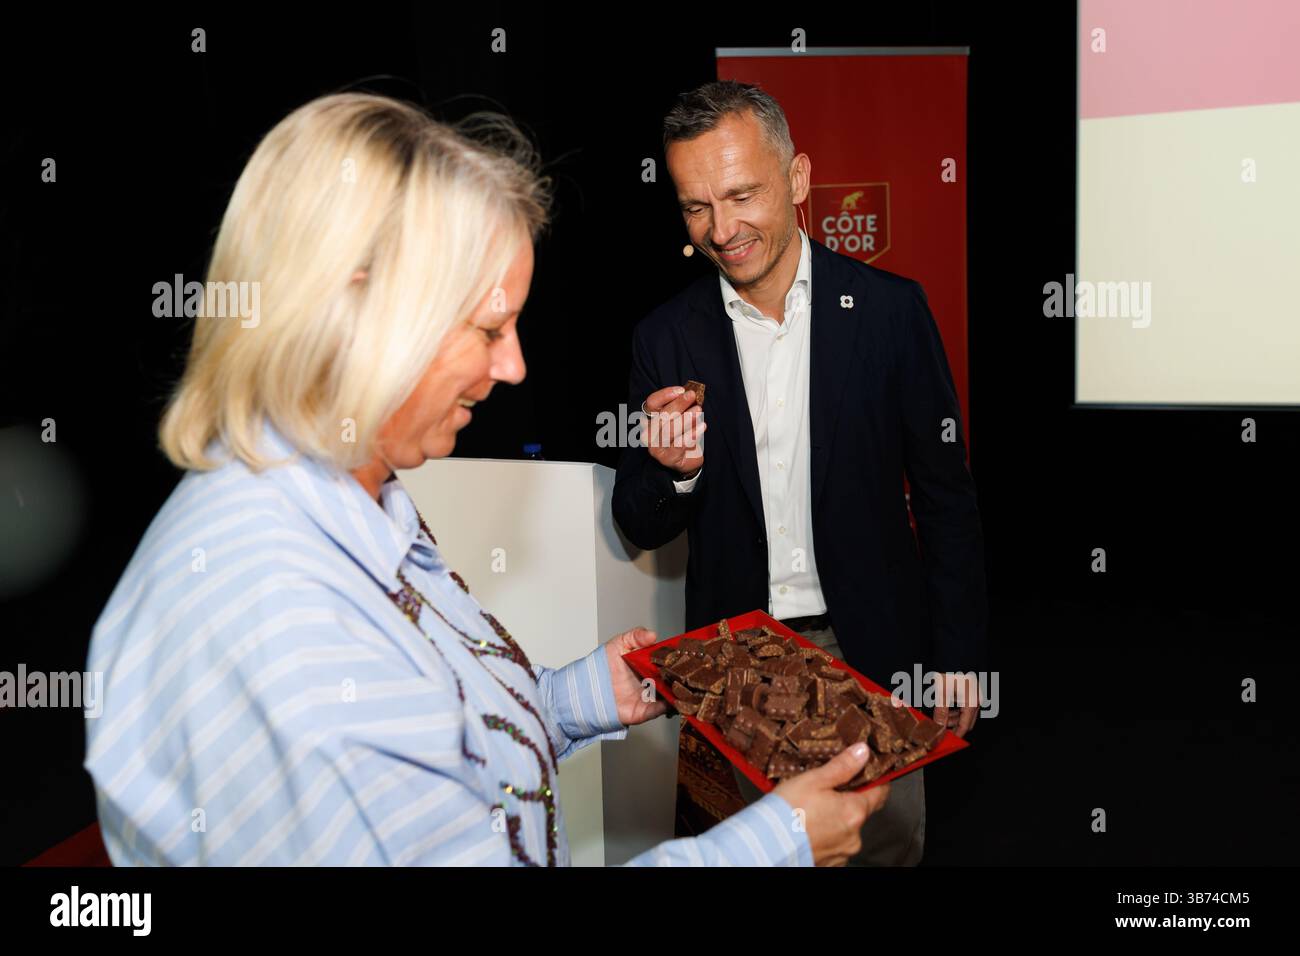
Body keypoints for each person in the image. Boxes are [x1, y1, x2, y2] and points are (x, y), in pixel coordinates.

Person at [84, 92, 890, 866]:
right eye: (488, 327)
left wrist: (575, 699)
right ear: (360, 315)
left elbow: (443, 735)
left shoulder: (353, 497)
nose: (513, 365)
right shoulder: (288, 636)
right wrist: (776, 843)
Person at [612, 81, 988, 865]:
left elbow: (948, 500)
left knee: (881, 852)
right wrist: (670, 470)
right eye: (695, 206)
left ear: (801, 179)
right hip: (735, 664)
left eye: (742, 194)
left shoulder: (891, 312)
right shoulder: (664, 335)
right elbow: (639, 521)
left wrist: (957, 655)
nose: (723, 229)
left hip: (873, 652)